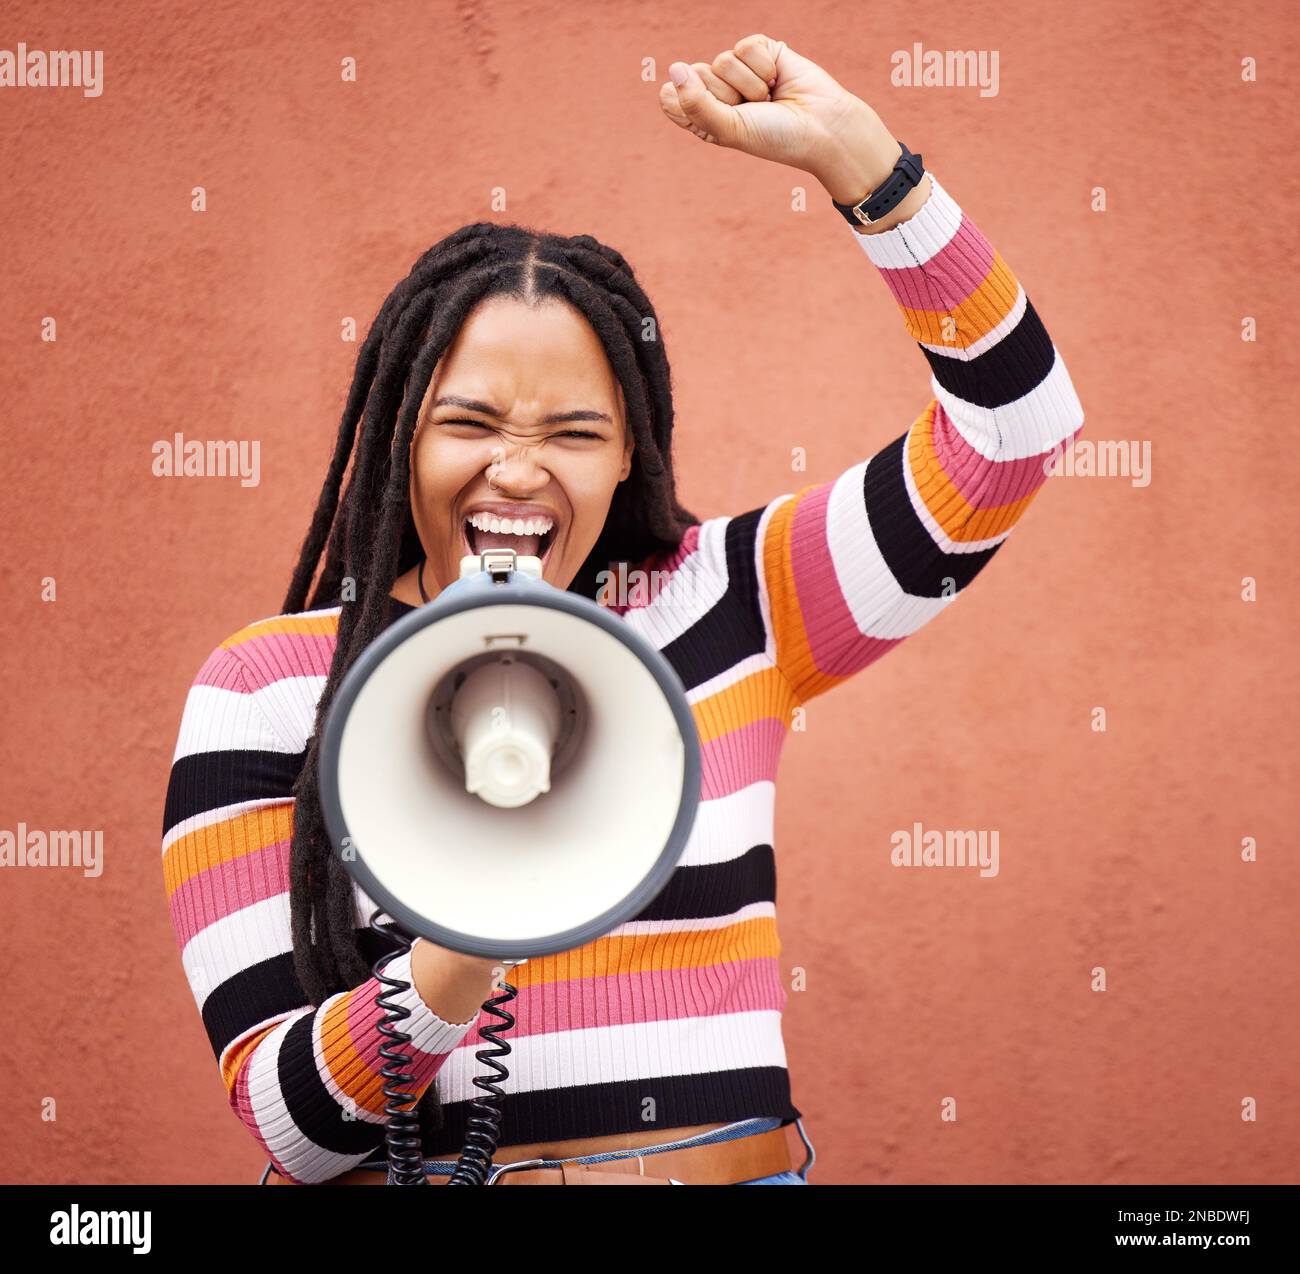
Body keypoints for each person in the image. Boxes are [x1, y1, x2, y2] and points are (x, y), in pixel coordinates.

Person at [161, 33, 1084, 1186]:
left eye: (573, 433)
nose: (515, 469)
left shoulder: (737, 600)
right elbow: (286, 1121)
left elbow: (1015, 437)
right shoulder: (265, 690)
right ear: (398, 435)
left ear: (628, 456)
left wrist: (869, 172)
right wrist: (467, 933)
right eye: (470, 422)